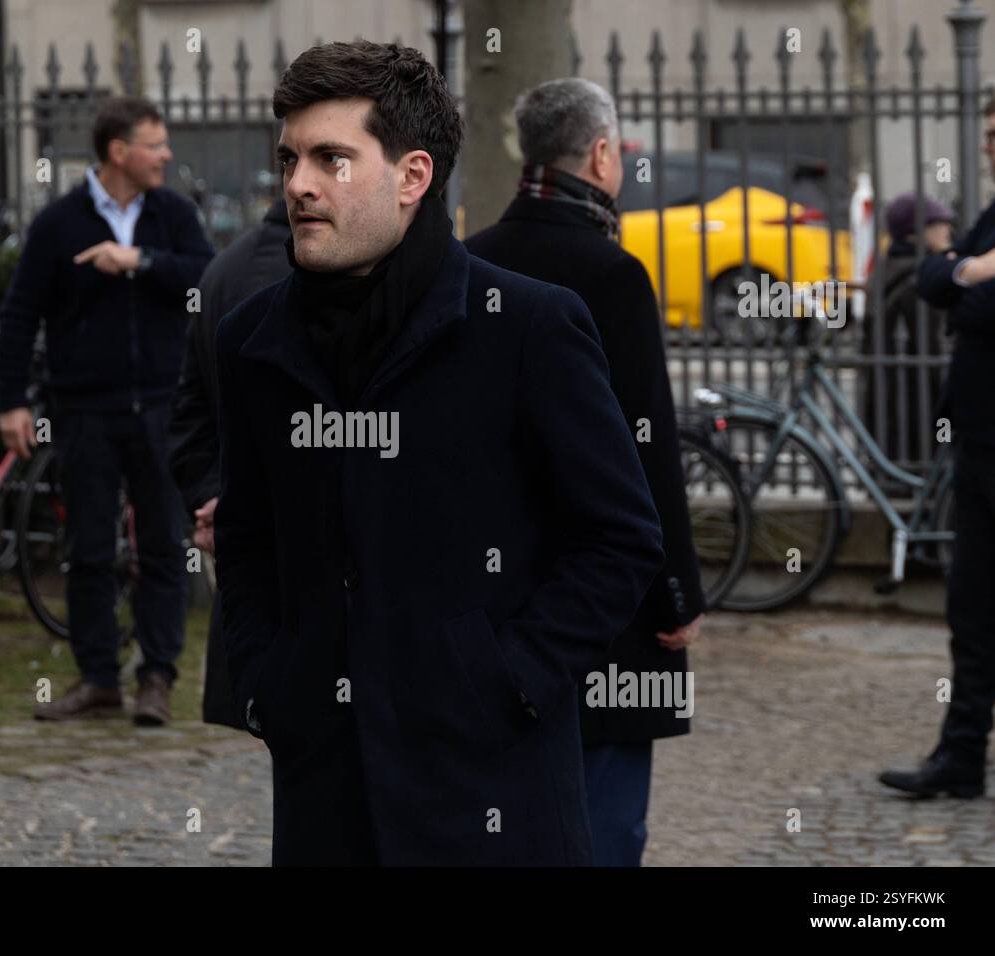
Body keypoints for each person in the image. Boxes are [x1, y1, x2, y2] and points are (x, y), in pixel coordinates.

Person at [214, 41, 664, 866]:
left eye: (330, 159)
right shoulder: (252, 340)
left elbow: (621, 538)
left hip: (494, 795)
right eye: (288, 159)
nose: (298, 184)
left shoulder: (527, 327)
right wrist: (269, 682)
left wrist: (507, 678)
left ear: (411, 176)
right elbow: (244, 538)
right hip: (326, 795)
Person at [466, 78, 705, 866]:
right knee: (605, 814)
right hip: (603, 580)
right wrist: (677, 593)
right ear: (601, 154)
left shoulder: (472, 260)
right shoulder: (612, 272)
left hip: (498, 581)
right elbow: (647, 443)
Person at [0, 97, 214, 723]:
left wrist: (140, 261)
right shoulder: (59, 222)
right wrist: (12, 402)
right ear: (119, 152)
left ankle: (157, 677)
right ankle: (98, 678)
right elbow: (20, 313)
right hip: (85, 409)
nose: (166, 155)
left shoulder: (174, 214)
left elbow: (206, 278)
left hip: (161, 406)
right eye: (155, 144)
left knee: (163, 544)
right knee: (89, 548)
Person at [880, 99, 995, 799]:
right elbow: (930, 278)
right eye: (987, 135)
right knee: (971, 606)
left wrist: (964, 278)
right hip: (977, 442)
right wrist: (969, 271)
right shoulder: (990, 217)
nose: (988, 147)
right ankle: (961, 756)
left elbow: (973, 304)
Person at [168, 196, 292, 730]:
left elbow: (189, 408)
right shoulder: (318, 271)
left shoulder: (223, 268)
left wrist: (213, 496)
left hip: (246, 558)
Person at [860, 193, 954, 467]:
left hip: (888, 404)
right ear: (915, 233)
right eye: (938, 222)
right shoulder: (920, 280)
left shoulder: (887, 268)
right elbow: (935, 351)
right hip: (917, 409)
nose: (947, 228)